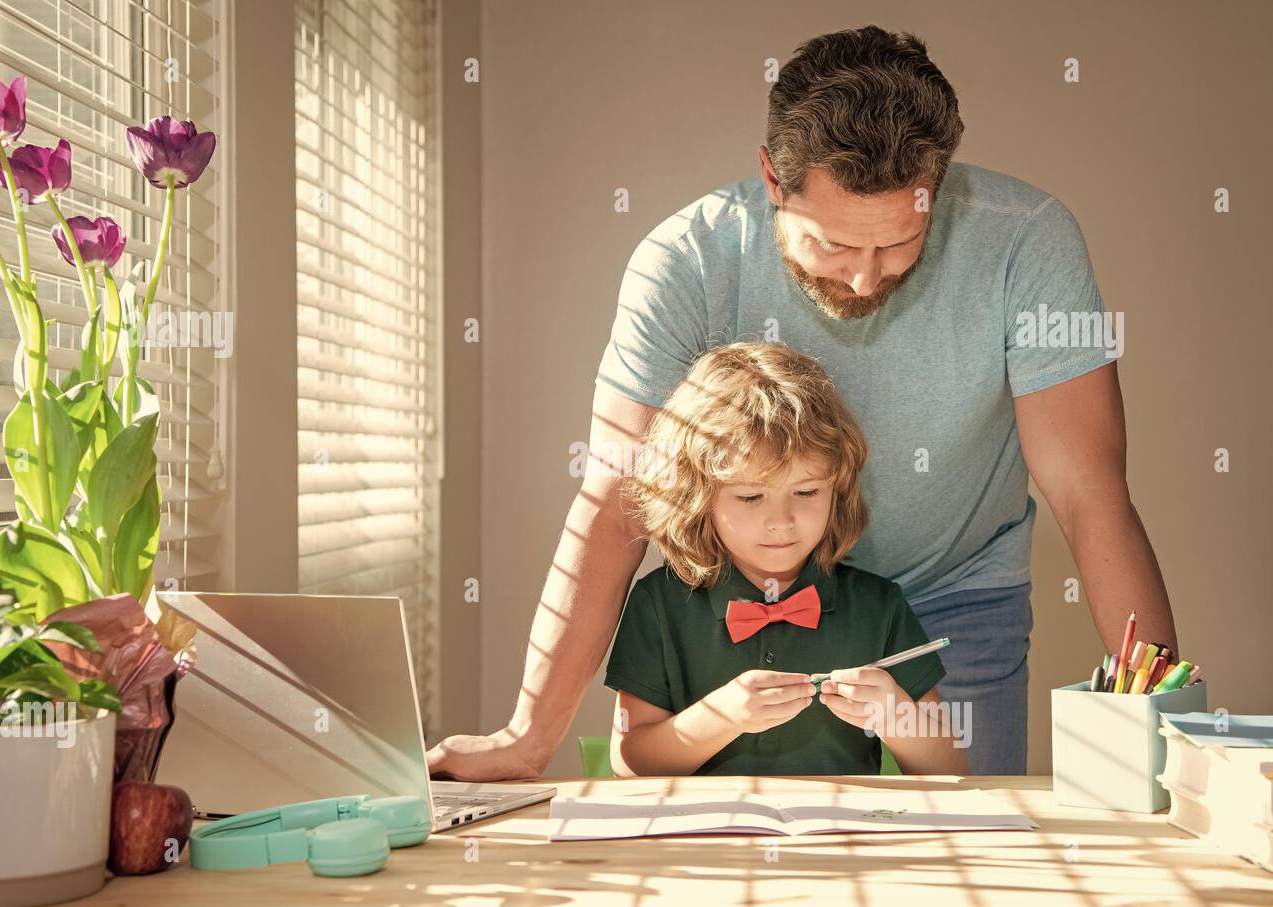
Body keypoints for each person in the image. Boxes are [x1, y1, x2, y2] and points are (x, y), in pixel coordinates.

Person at [428, 25, 1176, 780]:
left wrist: (1163, 727)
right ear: (772, 179)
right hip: (738, 596)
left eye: (899, 243)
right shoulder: (683, 262)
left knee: (968, 833)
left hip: (957, 598)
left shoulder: (1029, 242)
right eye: (834, 245)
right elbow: (619, 496)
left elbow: (1089, 491)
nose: (865, 279)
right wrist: (527, 740)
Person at [605, 341, 966, 777]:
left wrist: (896, 717)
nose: (782, 521)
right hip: (706, 823)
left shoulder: (879, 606)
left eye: (807, 492)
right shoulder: (658, 605)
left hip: (841, 821)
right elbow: (630, 763)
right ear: (696, 496)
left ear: (839, 489)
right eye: (750, 496)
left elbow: (951, 767)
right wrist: (719, 719)